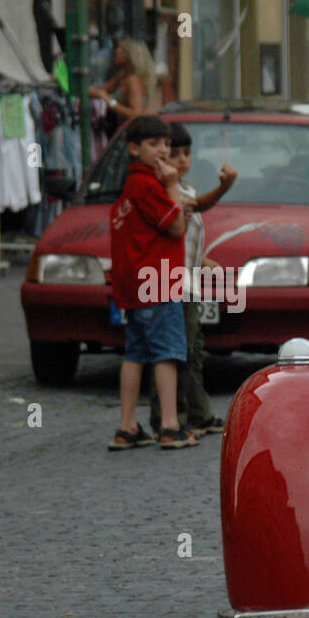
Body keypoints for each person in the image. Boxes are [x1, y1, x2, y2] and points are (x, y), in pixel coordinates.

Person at [107, 115, 196, 450]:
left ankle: (127, 425)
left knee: (135, 354)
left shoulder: (131, 185)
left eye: (166, 144)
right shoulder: (148, 185)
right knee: (167, 354)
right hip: (158, 282)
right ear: (134, 148)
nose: (163, 150)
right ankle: (171, 427)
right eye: (154, 144)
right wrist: (172, 186)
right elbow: (175, 226)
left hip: (135, 285)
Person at [148, 122, 237, 439]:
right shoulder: (164, 192)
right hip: (169, 284)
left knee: (194, 350)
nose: (183, 160)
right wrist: (224, 188)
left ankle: (199, 413)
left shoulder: (183, 189)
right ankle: (170, 419)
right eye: (175, 153)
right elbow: (194, 211)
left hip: (188, 282)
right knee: (176, 352)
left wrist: (203, 262)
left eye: (187, 153)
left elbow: (186, 241)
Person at [90, 38, 155, 133]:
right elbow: (102, 90)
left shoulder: (133, 80)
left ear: (130, 56)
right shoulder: (123, 76)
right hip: (122, 129)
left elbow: (136, 113)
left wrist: (110, 101)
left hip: (134, 131)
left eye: (122, 49)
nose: (117, 51)